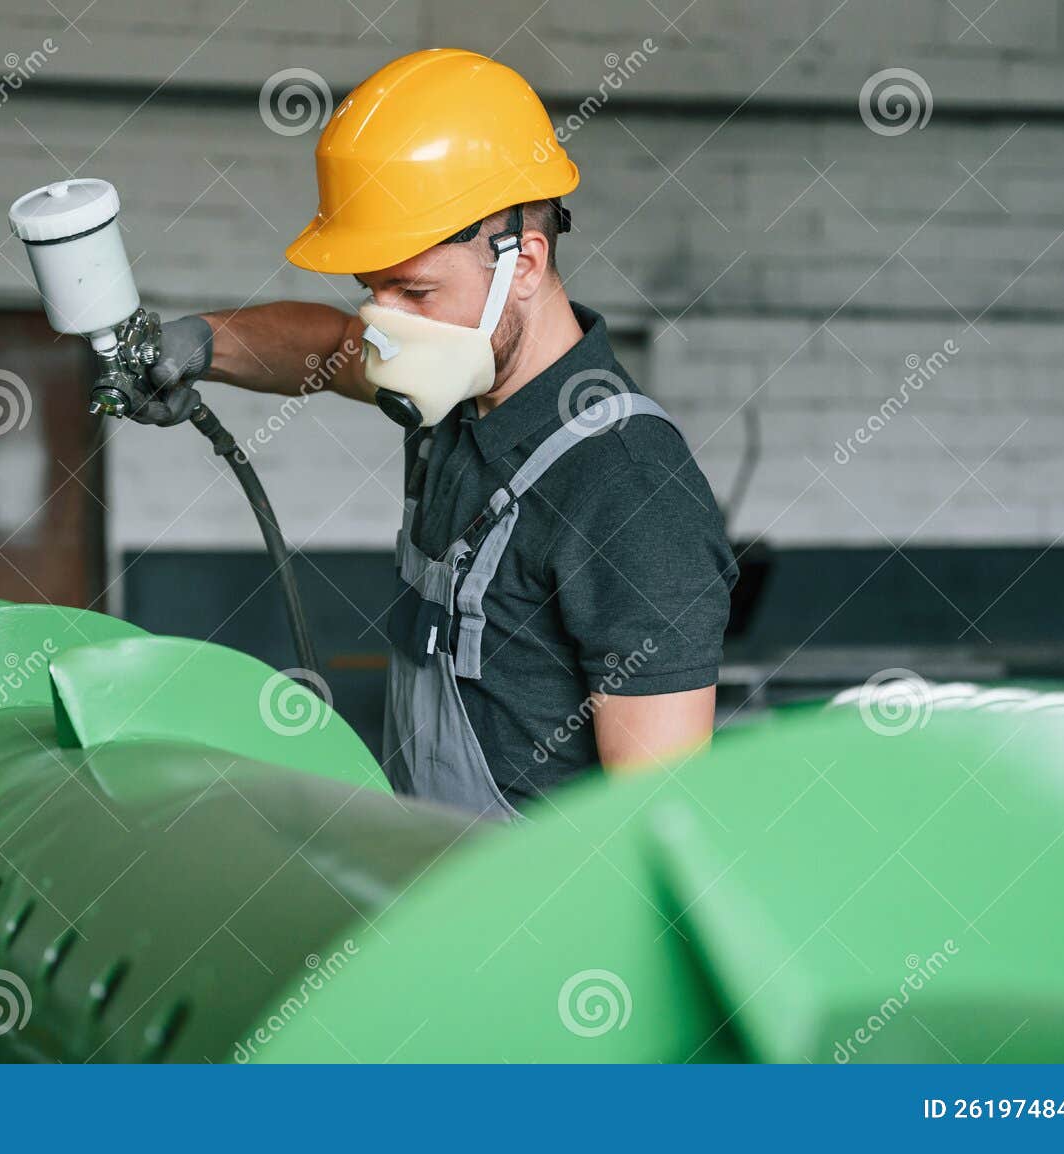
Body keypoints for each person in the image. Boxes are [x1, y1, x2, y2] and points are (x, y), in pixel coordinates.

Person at [142, 49, 737, 819]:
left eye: (414, 290)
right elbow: (326, 349)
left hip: (538, 924)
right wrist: (199, 345)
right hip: (425, 876)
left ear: (524, 261)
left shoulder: (627, 485)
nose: (388, 326)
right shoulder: (456, 390)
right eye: (373, 291)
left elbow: (659, 822)